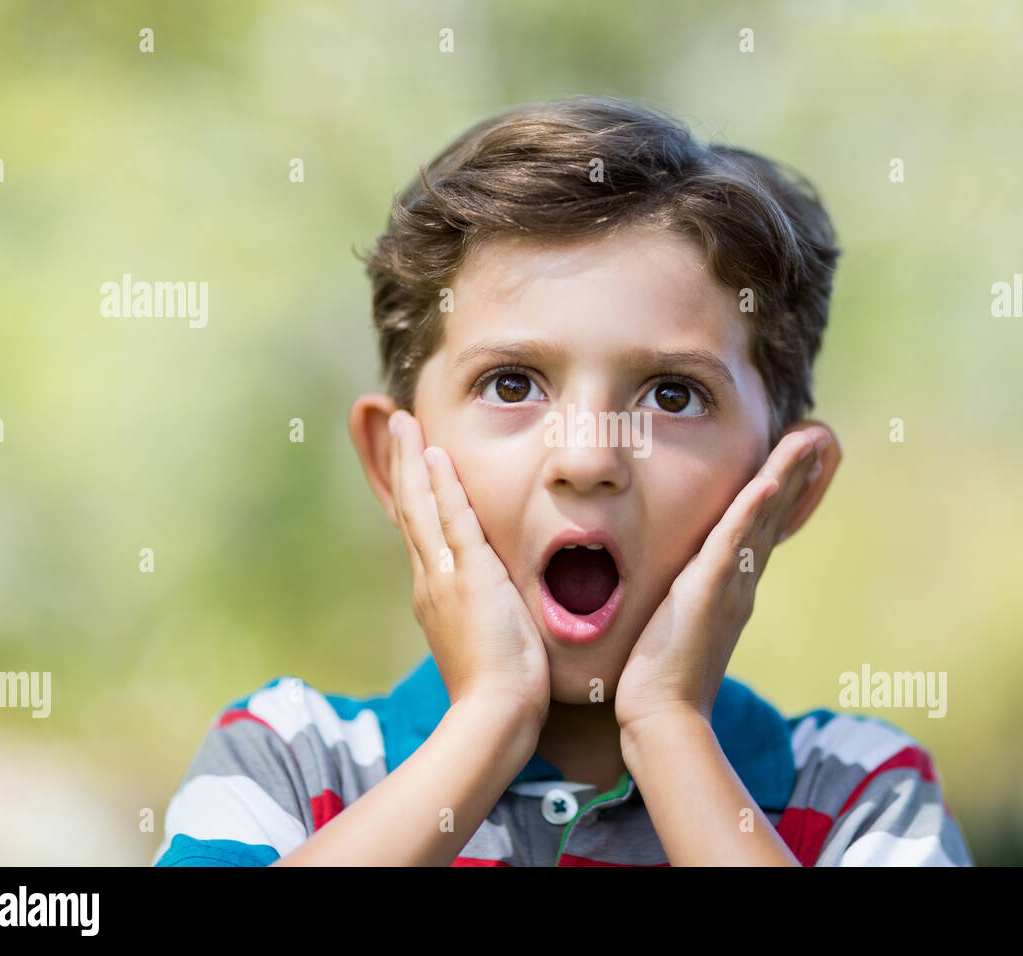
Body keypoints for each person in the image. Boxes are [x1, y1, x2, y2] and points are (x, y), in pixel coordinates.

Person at [152, 94, 973, 866]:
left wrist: (669, 728)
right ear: (391, 464)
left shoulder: (862, 793)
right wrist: (487, 722)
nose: (588, 459)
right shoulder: (288, 762)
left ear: (783, 485)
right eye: (513, 384)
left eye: (673, 395)